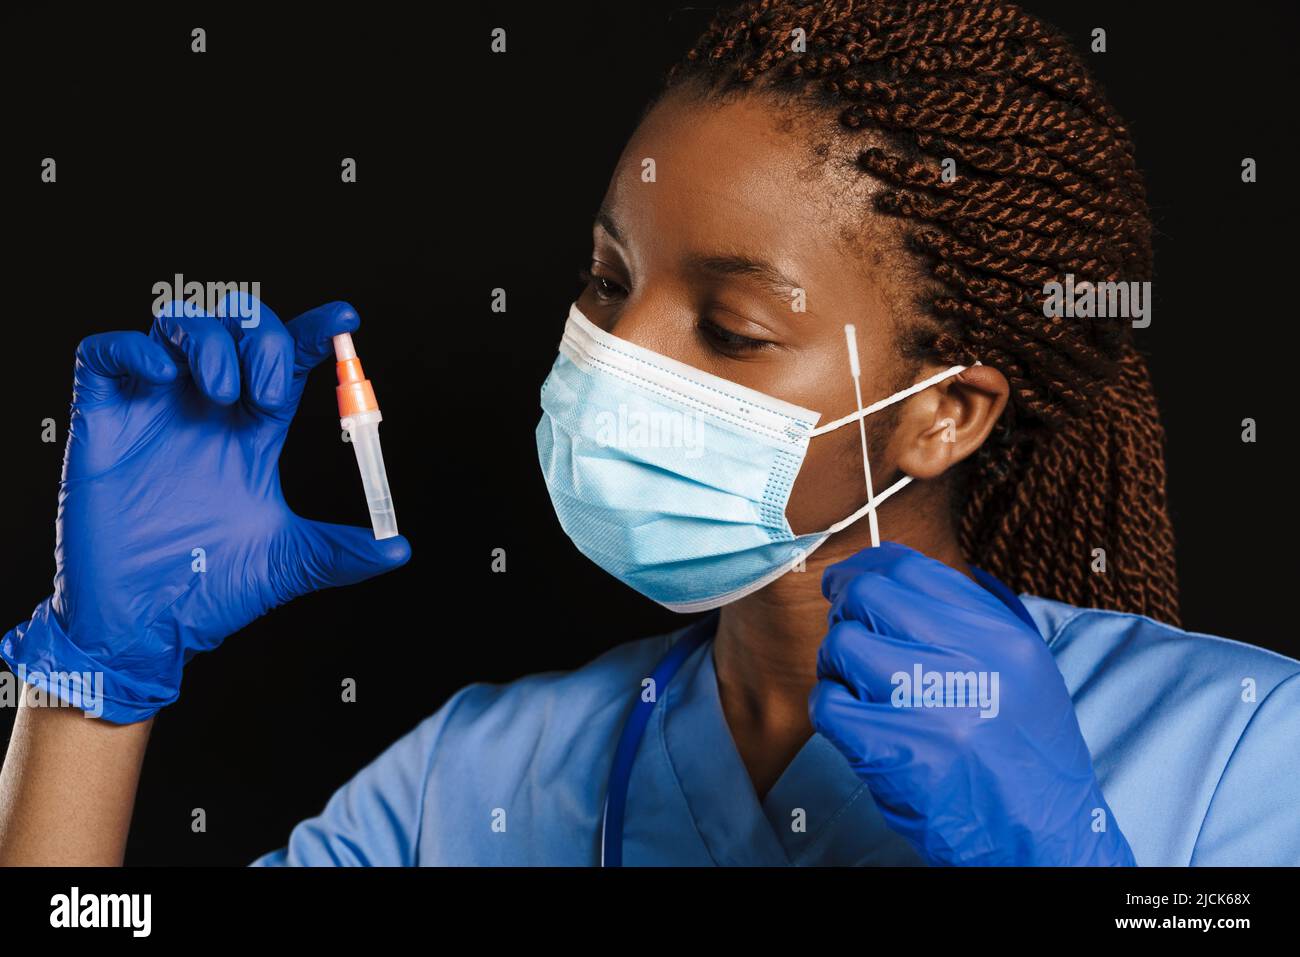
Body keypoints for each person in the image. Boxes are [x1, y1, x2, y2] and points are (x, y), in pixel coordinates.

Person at [2, 0, 1297, 867]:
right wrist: (91, 683)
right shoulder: (479, 781)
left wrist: (1067, 858)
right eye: (608, 281)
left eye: (731, 326)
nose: (620, 357)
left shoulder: (1242, 742)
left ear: (944, 412)